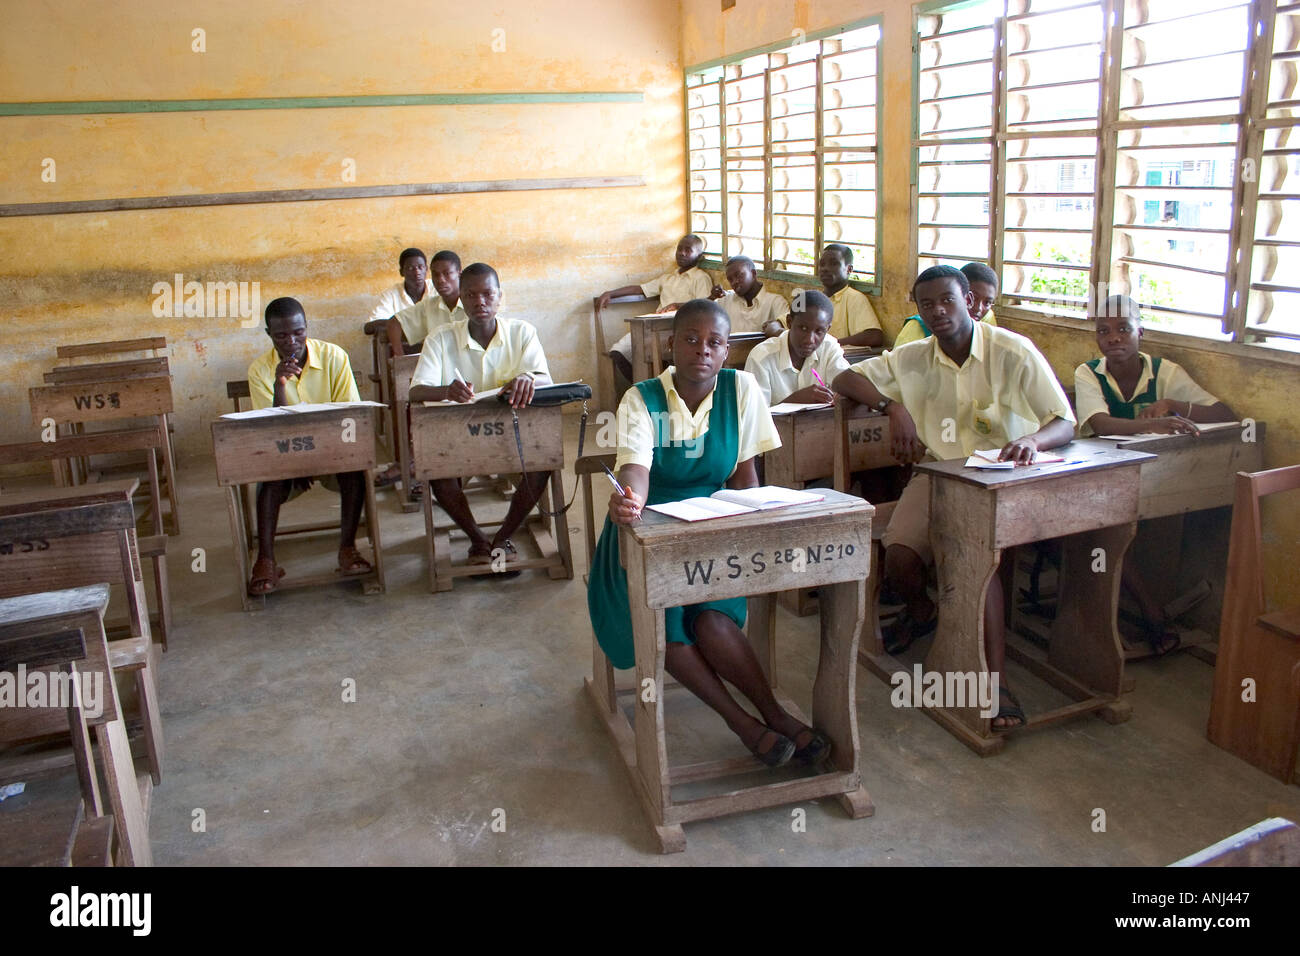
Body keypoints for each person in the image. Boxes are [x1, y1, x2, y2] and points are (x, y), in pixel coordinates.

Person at [587, 299, 831, 768]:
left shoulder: (742, 390)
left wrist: (745, 536)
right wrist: (631, 502)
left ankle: (773, 714)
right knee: (669, 630)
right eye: (691, 340)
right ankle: (742, 724)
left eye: (715, 343)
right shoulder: (641, 397)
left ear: (726, 353)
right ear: (670, 346)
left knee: (714, 623)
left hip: (713, 530)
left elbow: (745, 479)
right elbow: (636, 470)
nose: (703, 350)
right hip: (646, 536)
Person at [832, 265, 1076, 730]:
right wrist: (893, 406)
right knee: (899, 554)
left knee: (975, 566)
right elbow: (841, 376)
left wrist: (1033, 442)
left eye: (948, 299)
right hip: (940, 474)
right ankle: (926, 611)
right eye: (927, 305)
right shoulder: (912, 357)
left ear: (969, 298)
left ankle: (995, 684)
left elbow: (1063, 421)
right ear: (918, 310)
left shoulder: (1013, 351)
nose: (938, 311)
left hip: (1003, 478)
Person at [1074, 294, 1236, 654]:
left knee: (1131, 529)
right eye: (1104, 331)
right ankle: (1150, 611)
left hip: (1155, 474)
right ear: (1097, 338)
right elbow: (1099, 425)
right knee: (1107, 529)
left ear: (1140, 332)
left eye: (1123, 328)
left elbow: (1225, 413)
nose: (1114, 337)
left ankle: (1144, 607)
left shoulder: (1166, 372)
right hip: (1097, 474)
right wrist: (1158, 423)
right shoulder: (1089, 373)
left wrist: (1175, 405)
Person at [408, 263, 553, 567]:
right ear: (460, 298)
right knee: (436, 468)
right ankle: (477, 538)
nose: (480, 302)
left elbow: (545, 380)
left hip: (514, 439)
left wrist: (528, 378)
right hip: (460, 441)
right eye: (471, 295)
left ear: (500, 297)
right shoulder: (440, 338)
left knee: (543, 462)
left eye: (487, 294)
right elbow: (416, 391)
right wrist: (446, 391)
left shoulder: (522, 332)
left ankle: (503, 537)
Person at [246, 297, 371, 595]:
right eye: (281, 335)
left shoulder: (334, 357)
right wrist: (280, 386)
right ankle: (265, 560)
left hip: (332, 452)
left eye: (298, 332)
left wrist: (316, 456)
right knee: (269, 478)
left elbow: (348, 418)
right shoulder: (260, 371)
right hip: (285, 457)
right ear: (268, 335)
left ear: (306, 328)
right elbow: (271, 428)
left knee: (356, 469)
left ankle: (347, 548)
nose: (292, 341)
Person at [596, 235, 722, 385]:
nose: (682, 253)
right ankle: (646, 388)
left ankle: (654, 390)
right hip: (651, 327)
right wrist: (610, 293)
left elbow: (703, 307)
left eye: (688, 250)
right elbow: (640, 288)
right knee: (618, 352)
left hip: (677, 329)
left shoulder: (700, 278)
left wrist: (679, 305)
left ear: (700, 256)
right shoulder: (669, 277)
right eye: (679, 249)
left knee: (656, 358)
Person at [744, 289, 847, 406]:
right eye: (803, 328)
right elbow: (754, 417)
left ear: (827, 329)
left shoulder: (829, 348)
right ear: (789, 322)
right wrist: (794, 400)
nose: (809, 340)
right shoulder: (761, 358)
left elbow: (847, 385)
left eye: (819, 331)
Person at [894, 261, 999, 346]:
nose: (978, 308)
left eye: (987, 302)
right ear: (967, 298)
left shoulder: (987, 318)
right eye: (975, 299)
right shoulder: (917, 328)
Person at [387, 250, 466, 358]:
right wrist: (401, 357)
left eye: (447, 273)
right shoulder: (429, 306)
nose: (441, 280)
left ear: (459, 273)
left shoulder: (473, 304)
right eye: (436, 274)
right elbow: (394, 323)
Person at [818, 243, 883, 348]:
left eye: (834, 264)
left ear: (849, 269)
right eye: (822, 264)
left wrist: (830, 345)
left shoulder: (854, 298)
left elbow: (874, 336)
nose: (825, 269)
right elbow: (784, 320)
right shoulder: (813, 298)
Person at [718, 255, 787, 336]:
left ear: (753, 273)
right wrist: (711, 298)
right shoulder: (726, 299)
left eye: (739, 275)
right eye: (730, 279)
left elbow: (787, 331)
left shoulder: (775, 302)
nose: (734, 282)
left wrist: (776, 327)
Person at [367, 247, 430, 330]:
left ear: (427, 269)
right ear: (401, 272)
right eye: (411, 268)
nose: (417, 272)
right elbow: (368, 327)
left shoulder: (438, 289)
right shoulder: (391, 294)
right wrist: (402, 323)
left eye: (420, 267)